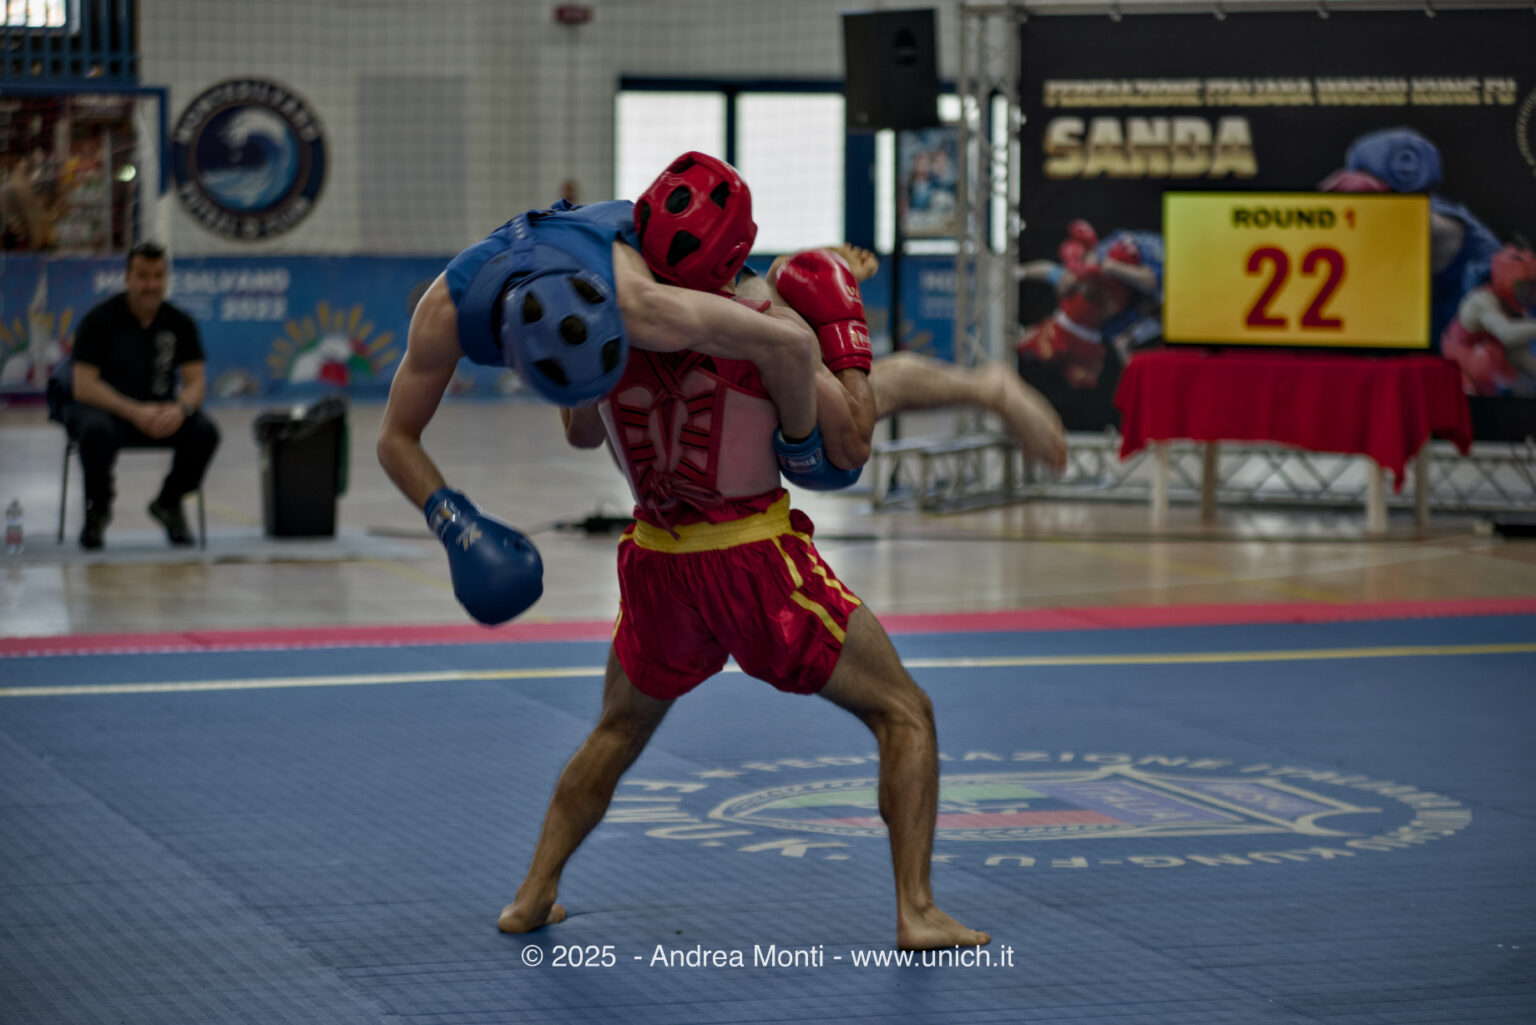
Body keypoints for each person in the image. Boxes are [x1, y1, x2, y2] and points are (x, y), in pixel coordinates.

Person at [495, 154, 990, 950]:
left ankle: (530, 894)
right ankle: (917, 910)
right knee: (905, 714)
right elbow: (843, 444)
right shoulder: (768, 332)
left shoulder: (612, 315)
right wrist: (838, 325)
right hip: (753, 561)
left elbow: (581, 429)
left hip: (656, 557)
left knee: (618, 730)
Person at [65, 242, 220, 549]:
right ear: (127, 278)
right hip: (108, 410)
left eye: (158, 276)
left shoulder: (180, 323)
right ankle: (98, 510)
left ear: (166, 278)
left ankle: (168, 503)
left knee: (204, 432)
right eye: (143, 276)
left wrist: (180, 409)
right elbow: (84, 385)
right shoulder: (98, 320)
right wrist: (135, 411)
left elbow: (196, 383)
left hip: (161, 411)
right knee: (95, 431)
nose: (151, 285)